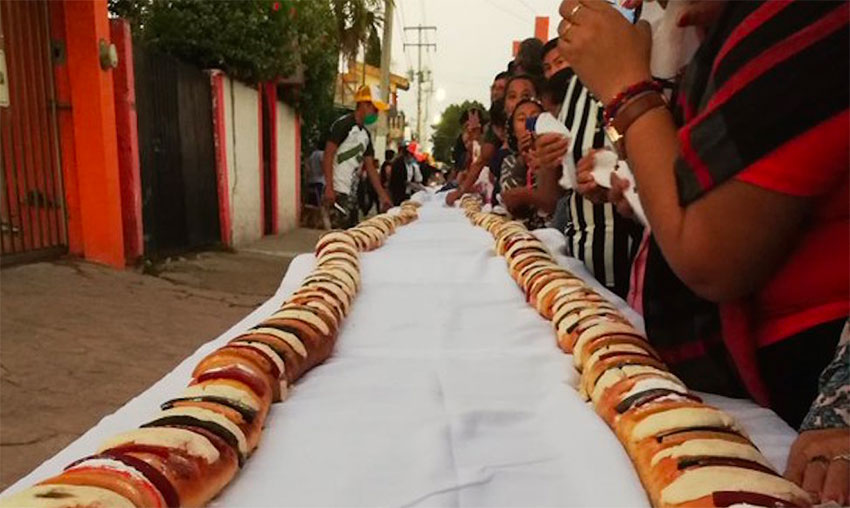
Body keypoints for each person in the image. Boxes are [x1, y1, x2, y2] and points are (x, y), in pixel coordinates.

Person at [557, 0, 849, 502]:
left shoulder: (803, 17)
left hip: (814, 394)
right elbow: (695, 196)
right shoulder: (720, 34)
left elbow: (710, 254)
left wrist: (628, 90)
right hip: (763, 392)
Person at [446, 74, 542, 206]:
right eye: (512, 96)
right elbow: (481, 160)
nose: (519, 101)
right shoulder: (497, 129)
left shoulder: (546, 137)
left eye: (525, 96)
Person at [322, 85, 392, 229]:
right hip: (337, 191)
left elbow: (371, 168)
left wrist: (383, 196)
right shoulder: (343, 125)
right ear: (364, 105)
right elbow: (328, 155)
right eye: (375, 109)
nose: (376, 114)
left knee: (351, 233)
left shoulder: (365, 135)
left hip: (352, 194)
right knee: (336, 236)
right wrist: (329, 187)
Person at [499, 99, 563, 229]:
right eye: (521, 119)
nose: (529, 123)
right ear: (513, 131)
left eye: (535, 117)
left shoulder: (556, 154)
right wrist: (521, 162)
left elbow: (555, 203)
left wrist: (527, 195)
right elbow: (510, 202)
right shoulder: (510, 161)